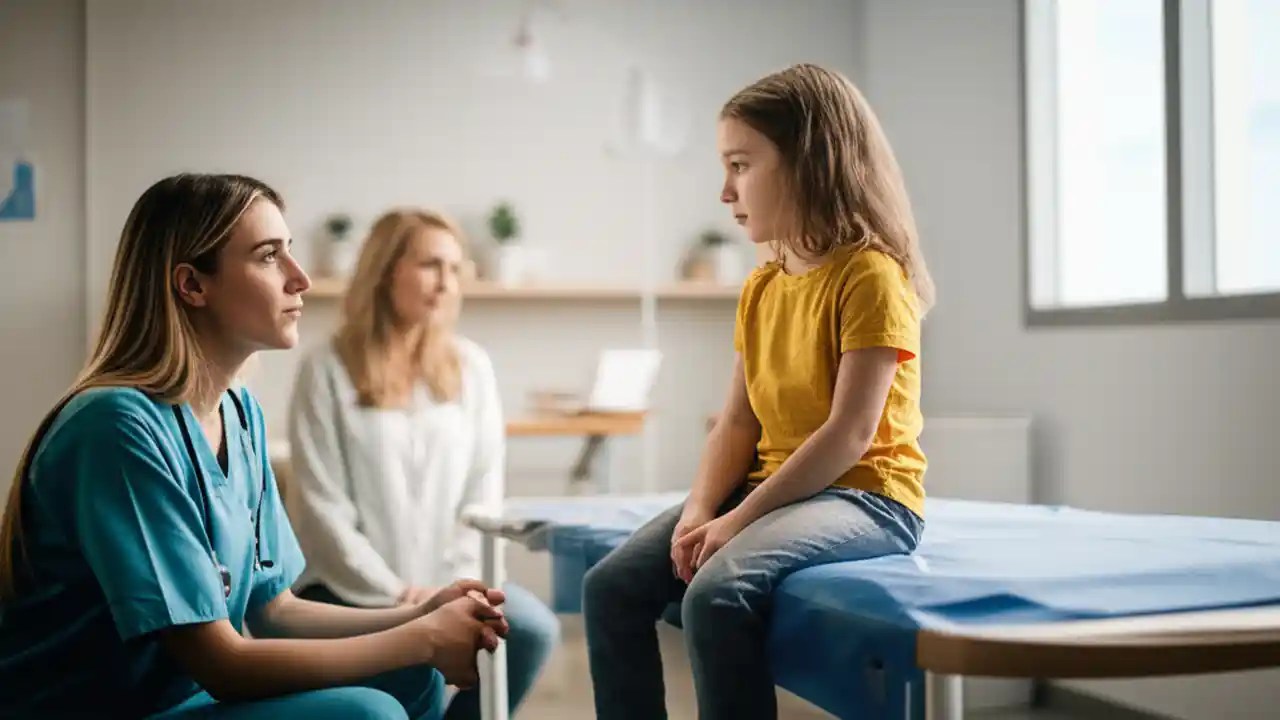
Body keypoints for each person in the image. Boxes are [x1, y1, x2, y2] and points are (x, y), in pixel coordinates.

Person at [0, 174, 508, 719]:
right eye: (269, 257)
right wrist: (422, 638)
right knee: (371, 713)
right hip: (104, 710)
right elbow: (223, 664)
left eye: (290, 252)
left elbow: (277, 610)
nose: (301, 279)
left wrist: (418, 615)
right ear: (192, 285)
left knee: (414, 679)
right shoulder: (116, 428)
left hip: (181, 699)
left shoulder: (240, 415)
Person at [582, 63, 936, 720]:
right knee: (611, 586)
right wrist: (697, 512)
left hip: (867, 499)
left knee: (716, 593)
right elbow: (737, 423)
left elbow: (849, 434)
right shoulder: (763, 285)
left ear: (808, 163)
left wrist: (736, 521)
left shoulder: (871, 277)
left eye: (740, 165)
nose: (725, 191)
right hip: (772, 491)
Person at [285, 208, 559, 719]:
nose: (446, 283)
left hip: (450, 581)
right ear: (386, 270)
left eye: (456, 270)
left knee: (535, 629)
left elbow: (483, 496)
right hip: (349, 588)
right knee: (417, 674)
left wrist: (448, 586)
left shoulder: (472, 366)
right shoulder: (325, 367)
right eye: (431, 265)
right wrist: (397, 593)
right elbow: (323, 511)